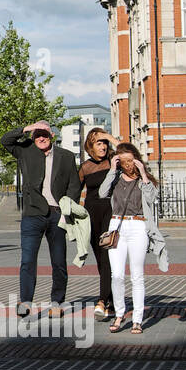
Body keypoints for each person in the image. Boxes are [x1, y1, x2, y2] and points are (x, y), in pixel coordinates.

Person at [1, 121, 82, 317]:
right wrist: (25, 128)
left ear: (52, 135)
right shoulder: (25, 151)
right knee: (28, 259)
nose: (41, 138)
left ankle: (57, 302)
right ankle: (26, 301)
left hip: (57, 214)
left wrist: (67, 208)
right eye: (37, 135)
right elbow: (5, 140)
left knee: (58, 262)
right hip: (33, 214)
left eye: (44, 133)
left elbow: (74, 185)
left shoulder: (66, 156)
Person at [98, 143, 156, 333]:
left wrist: (143, 173)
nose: (128, 164)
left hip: (138, 225)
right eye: (124, 161)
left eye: (131, 160)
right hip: (117, 226)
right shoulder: (114, 179)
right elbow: (102, 193)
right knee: (117, 275)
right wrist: (112, 169)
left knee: (137, 276)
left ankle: (137, 319)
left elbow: (151, 198)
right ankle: (119, 314)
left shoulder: (142, 180)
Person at [78, 128, 116, 320]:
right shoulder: (85, 167)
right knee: (101, 261)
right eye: (98, 143)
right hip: (91, 216)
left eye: (104, 143)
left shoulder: (114, 162)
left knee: (107, 256)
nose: (102, 146)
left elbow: (130, 154)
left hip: (111, 212)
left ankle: (102, 301)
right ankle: (111, 301)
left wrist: (110, 137)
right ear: (90, 146)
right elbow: (75, 193)